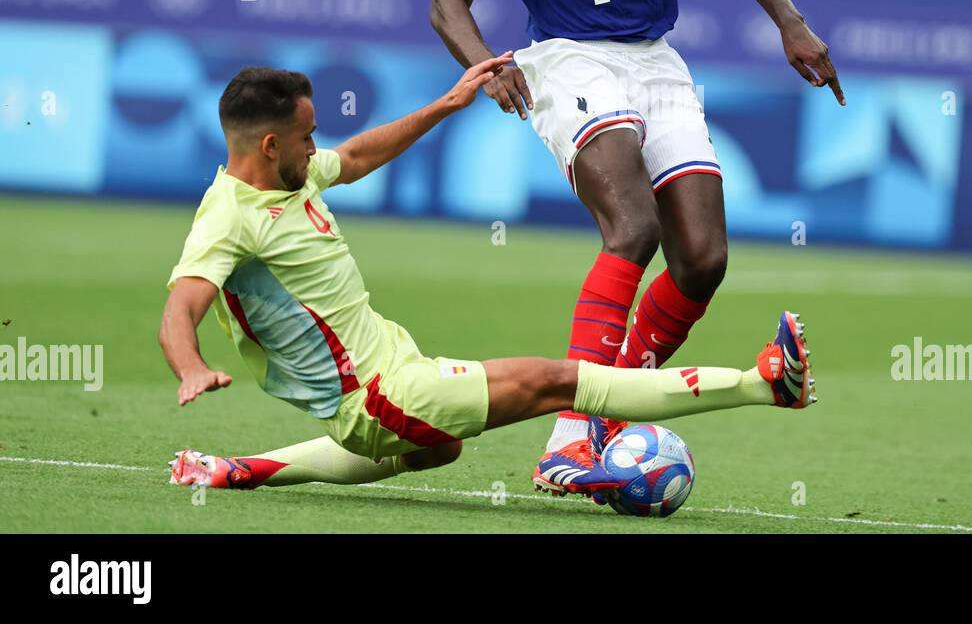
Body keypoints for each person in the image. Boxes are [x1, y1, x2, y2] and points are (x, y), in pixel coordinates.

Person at [430, 0, 840, 495]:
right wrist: (488, 64)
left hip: (656, 61)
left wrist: (791, 22)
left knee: (704, 259)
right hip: (568, 59)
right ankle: (568, 436)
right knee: (633, 227)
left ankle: (615, 400)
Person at [161, 61, 814, 496]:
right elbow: (180, 310)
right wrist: (191, 365)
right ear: (269, 145)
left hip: (392, 364)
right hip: (375, 393)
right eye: (306, 135)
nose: (316, 145)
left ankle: (240, 469)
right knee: (554, 381)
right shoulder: (227, 219)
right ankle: (763, 385)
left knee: (437, 451)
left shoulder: (293, 172)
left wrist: (448, 102)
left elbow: (357, 155)